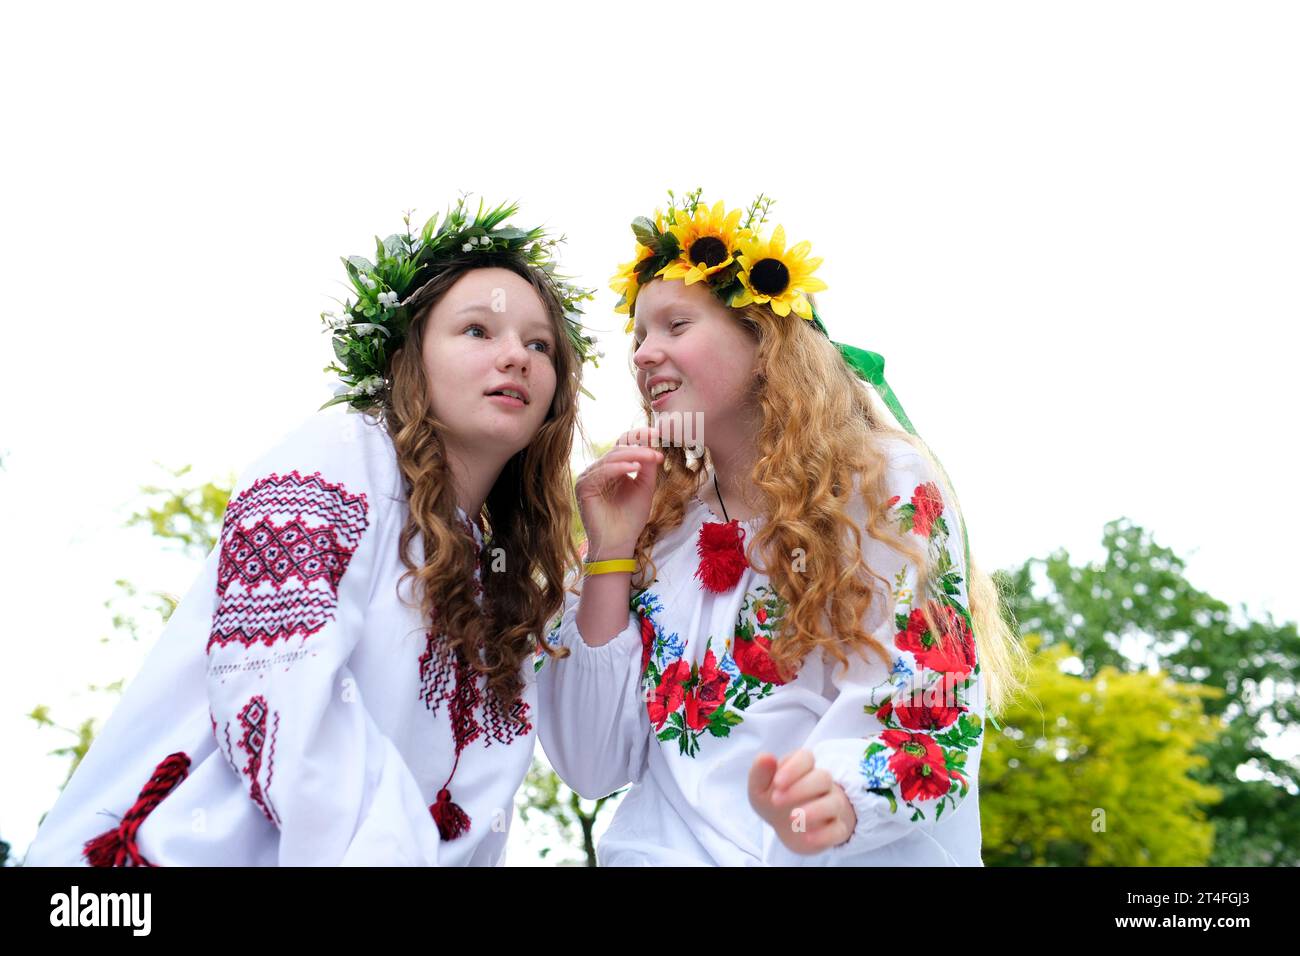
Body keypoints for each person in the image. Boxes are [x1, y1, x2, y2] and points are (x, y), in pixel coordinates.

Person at [24, 196, 596, 866]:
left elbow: (475, 816)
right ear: (409, 356)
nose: (517, 357)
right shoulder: (339, 453)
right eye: (477, 330)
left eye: (539, 345)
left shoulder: (502, 582)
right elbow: (277, 692)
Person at [537, 190, 1027, 865]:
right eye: (640, 336)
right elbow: (592, 766)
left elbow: (934, 704)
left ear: (765, 343)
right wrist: (611, 553)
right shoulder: (653, 522)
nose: (645, 355)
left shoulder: (883, 479)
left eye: (676, 325)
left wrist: (844, 795)